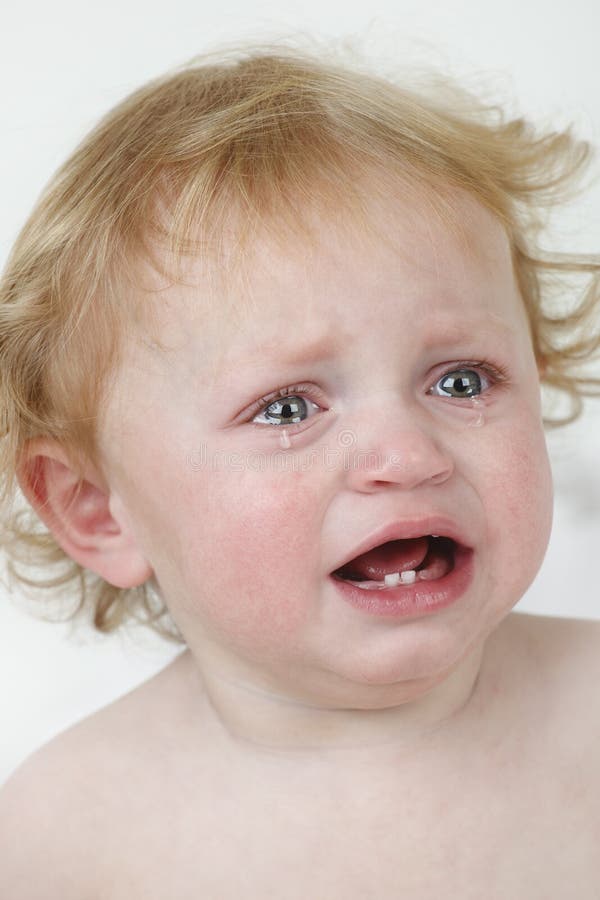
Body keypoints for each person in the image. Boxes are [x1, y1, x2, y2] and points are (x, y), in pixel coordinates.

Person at [1, 41, 599, 897]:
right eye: (287, 408)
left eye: (461, 380)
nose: (408, 455)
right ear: (99, 508)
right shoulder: (64, 836)